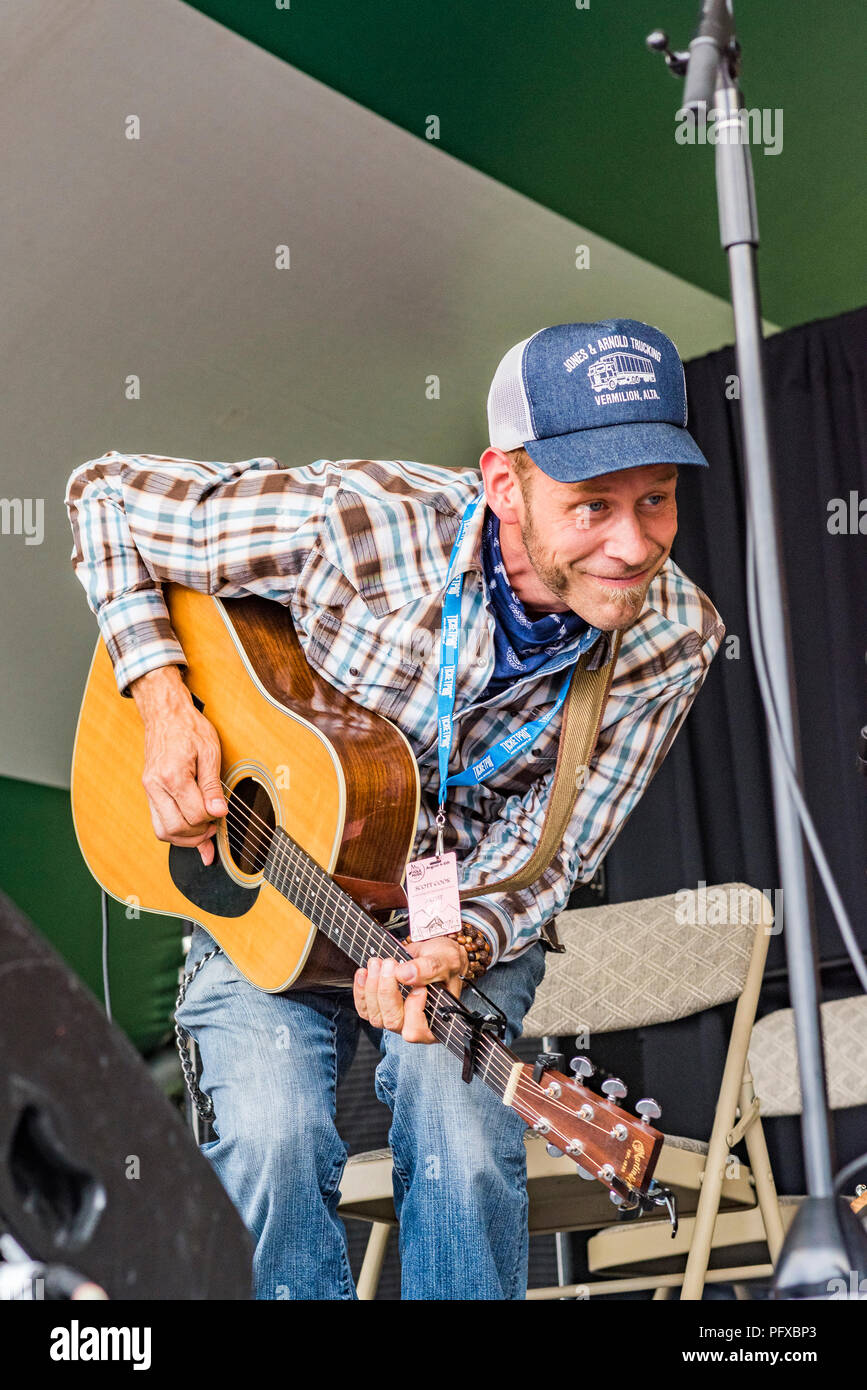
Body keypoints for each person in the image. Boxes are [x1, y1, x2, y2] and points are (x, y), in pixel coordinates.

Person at [65, 318, 725, 1299]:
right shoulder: (359, 524)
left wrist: (453, 949)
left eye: (657, 501)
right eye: (591, 506)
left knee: (461, 1138)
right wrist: (164, 702)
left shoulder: (672, 641)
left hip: (454, 923)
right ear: (505, 484)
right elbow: (105, 496)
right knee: (270, 1137)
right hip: (265, 905)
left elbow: (547, 862)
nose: (632, 546)